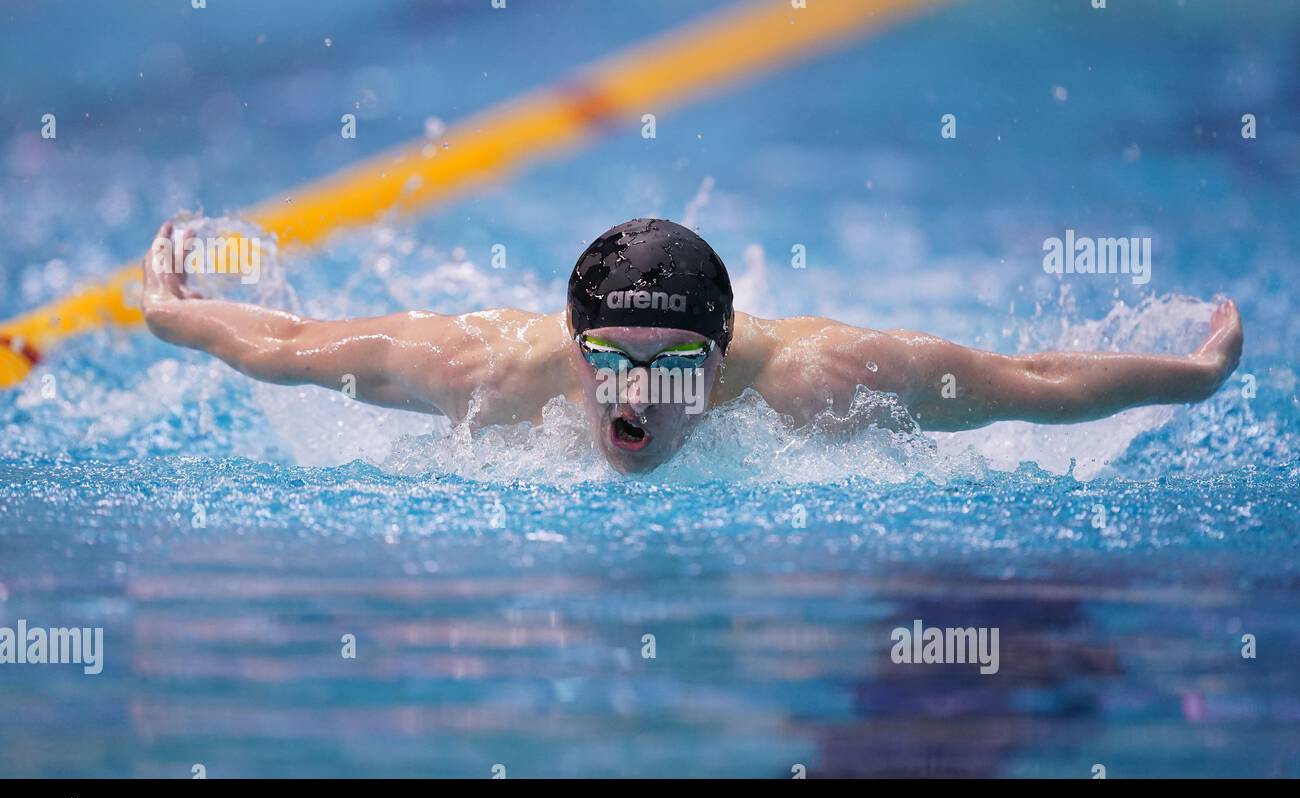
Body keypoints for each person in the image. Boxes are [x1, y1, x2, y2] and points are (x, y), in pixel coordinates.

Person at [142, 217, 1243, 474]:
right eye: (604, 359)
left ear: (718, 364)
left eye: (670, 368)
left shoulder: (825, 380)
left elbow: (1032, 382)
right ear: (569, 344)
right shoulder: (482, 371)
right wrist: (174, 312)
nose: (631, 396)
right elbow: (283, 345)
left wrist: (1188, 378)